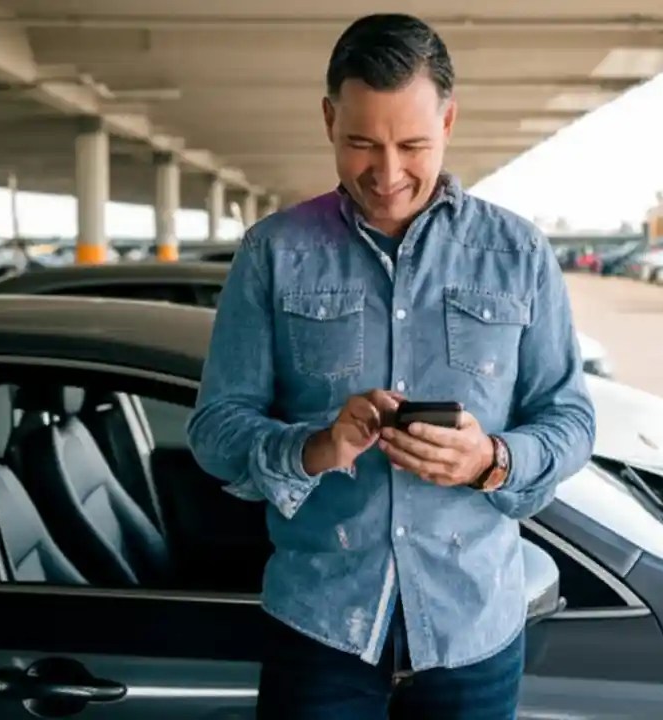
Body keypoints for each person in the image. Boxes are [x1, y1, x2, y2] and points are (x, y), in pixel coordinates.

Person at [186, 13, 595, 719]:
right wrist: (315, 447)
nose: (387, 172)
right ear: (326, 120)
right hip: (320, 634)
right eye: (360, 143)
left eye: (412, 144)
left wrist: (489, 459)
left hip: (473, 634)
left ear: (450, 121)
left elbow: (571, 417)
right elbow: (215, 428)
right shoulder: (273, 252)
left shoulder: (517, 253)